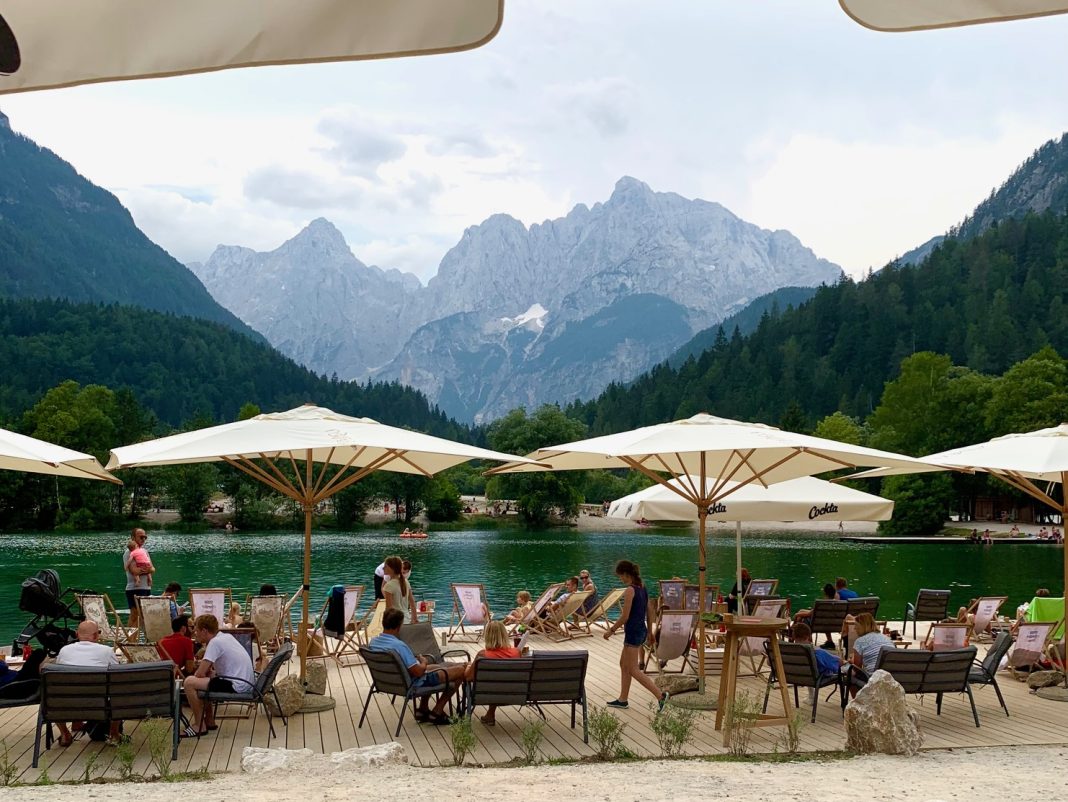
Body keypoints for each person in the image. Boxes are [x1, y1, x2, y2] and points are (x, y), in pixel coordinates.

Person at [369, 607, 466, 725]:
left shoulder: (374, 643)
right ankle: (437, 711)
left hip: (391, 681)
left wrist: (422, 665)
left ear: (384, 623)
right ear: (398, 626)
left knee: (444, 666)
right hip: (415, 682)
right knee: (461, 671)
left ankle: (422, 709)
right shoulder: (399, 646)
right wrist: (424, 662)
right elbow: (418, 672)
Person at [603, 560, 668, 711]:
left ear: (626, 574)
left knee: (633, 669)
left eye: (620, 576)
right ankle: (623, 699)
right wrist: (650, 632)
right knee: (623, 664)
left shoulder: (630, 590)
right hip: (641, 630)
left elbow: (625, 616)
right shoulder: (642, 587)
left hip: (633, 632)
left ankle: (661, 696)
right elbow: (650, 610)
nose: (620, 579)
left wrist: (611, 630)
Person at [184, 614, 255, 735]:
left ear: (204, 631)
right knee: (207, 678)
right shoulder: (226, 636)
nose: (195, 634)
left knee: (189, 683)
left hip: (236, 684)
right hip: (245, 681)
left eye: (197, 631)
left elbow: (199, 674)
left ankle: (199, 725)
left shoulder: (215, 643)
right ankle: (209, 720)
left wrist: (198, 670)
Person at [54, 621, 119, 745]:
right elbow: (117, 674)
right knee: (118, 691)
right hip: (99, 702)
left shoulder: (64, 651)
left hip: (67, 703)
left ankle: (65, 733)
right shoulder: (106, 651)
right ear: (95, 635)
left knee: (59, 691)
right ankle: (114, 734)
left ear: (77, 634)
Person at [464, 620, 520, 725]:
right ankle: (490, 714)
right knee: (499, 680)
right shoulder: (516, 653)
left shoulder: (483, 655)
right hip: (514, 692)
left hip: (486, 693)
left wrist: (468, 667)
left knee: (493, 682)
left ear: (488, 636)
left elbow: (468, 677)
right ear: (504, 635)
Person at [123, 528, 153, 628]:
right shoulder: (129, 553)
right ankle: (130, 636)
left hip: (145, 587)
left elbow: (152, 569)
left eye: (145, 537)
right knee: (135, 615)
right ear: (133, 537)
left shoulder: (144, 551)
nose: (143, 539)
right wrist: (147, 570)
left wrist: (147, 570)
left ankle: (134, 636)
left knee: (141, 615)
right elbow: (134, 571)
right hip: (134, 588)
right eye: (141, 537)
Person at [849, 612, 892, 677]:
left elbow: (857, 669)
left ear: (863, 626)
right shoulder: (887, 639)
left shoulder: (859, 641)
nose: (854, 628)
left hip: (873, 677)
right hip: (891, 676)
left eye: (856, 625)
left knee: (851, 674)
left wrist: (851, 661)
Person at [382, 555, 417, 622]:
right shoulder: (406, 581)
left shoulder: (388, 586)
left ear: (391, 568)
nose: (383, 568)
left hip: (396, 622)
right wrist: (415, 618)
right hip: (406, 619)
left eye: (385, 566)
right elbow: (412, 602)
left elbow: (389, 609)